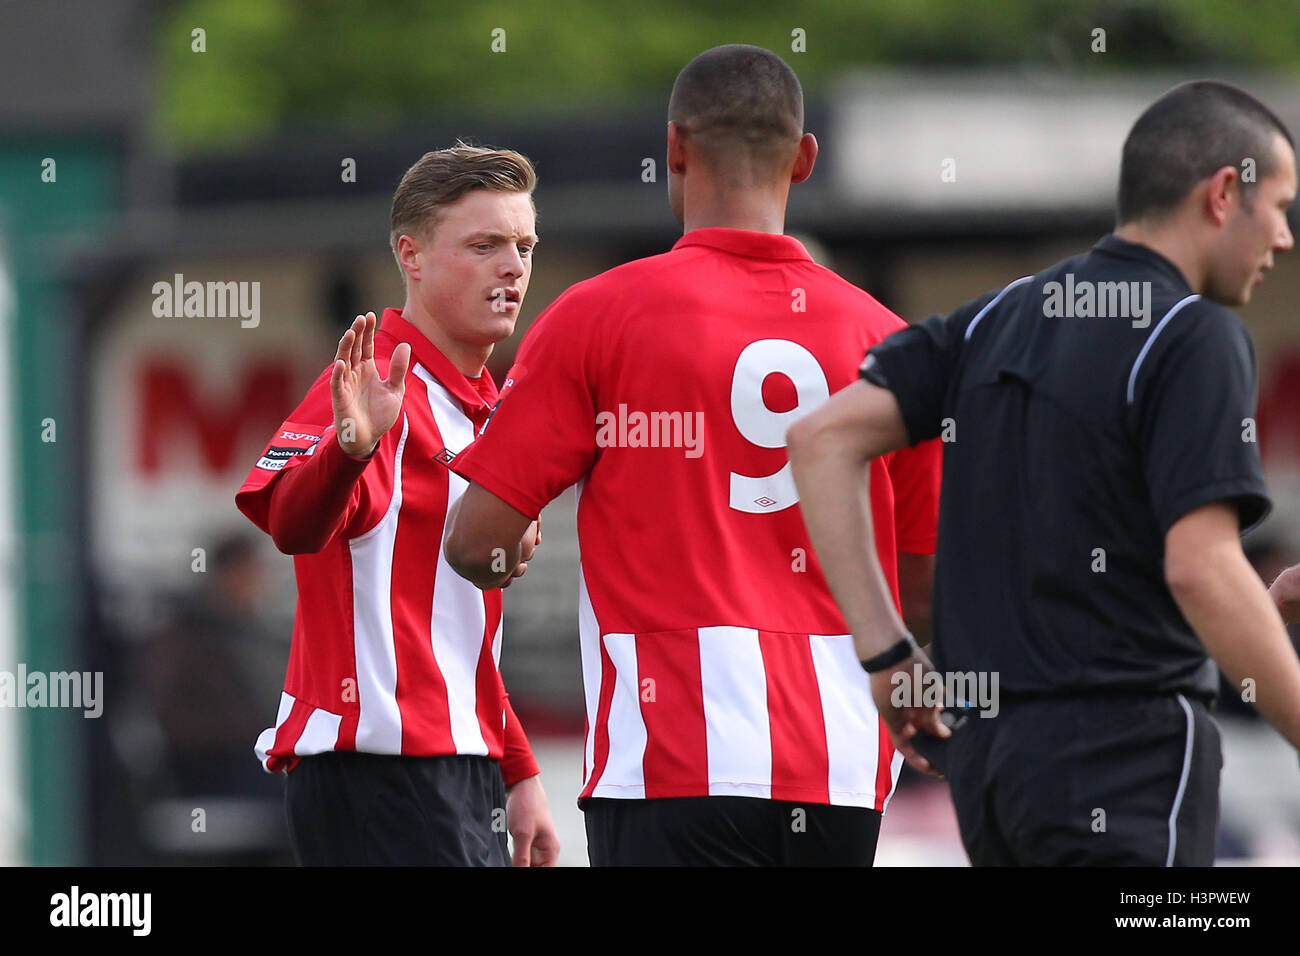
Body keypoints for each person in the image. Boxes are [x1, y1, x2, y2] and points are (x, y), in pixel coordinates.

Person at [444, 45, 941, 866]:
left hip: (668, 760)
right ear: (805, 159)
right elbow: (916, 592)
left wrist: (512, 549)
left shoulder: (598, 316)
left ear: (674, 148)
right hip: (839, 767)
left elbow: (474, 542)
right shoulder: (891, 343)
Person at [788, 80, 1300, 866]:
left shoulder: (998, 316)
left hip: (993, 770)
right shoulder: (1194, 335)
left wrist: (889, 658)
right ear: (1225, 193)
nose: (1286, 238)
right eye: (1281, 208)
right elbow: (1201, 568)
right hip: (1128, 764)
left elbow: (824, 439)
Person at [235, 144, 559, 866]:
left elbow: (454, 633)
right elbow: (291, 525)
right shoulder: (371, 384)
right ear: (410, 256)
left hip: (461, 769)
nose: (513, 267)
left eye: (524, 245)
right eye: (485, 245)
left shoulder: (490, 412)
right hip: (377, 771)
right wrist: (346, 452)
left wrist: (518, 771)